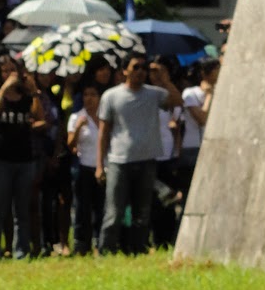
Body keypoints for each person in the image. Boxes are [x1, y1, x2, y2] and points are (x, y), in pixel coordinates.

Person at [95, 53, 182, 255]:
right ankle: (106, 250)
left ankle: (138, 250)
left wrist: (164, 78)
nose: (141, 72)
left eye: (144, 68)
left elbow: (177, 101)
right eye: (136, 67)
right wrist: (100, 165)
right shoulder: (111, 96)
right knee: (114, 212)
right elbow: (103, 133)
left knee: (142, 212)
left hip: (147, 161)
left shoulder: (154, 94)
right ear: (124, 71)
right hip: (119, 161)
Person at [0, 51, 44, 260]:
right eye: (5, 71)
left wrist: (34, 91)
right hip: (1, 159)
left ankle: (21, 252)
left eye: (12, 70)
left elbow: (40, 118)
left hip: (25, 159)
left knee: (22, 211)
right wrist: (4, 89)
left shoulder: (26, 97)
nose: (10, 74)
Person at [67, 80, 104, 254]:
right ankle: (81, 245)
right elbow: (70, 145)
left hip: (103, 168)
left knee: (101, 207)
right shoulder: (76, 117)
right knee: (82, 209)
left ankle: (100, 242)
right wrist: (77, 128)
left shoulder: (105, 117)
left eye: (93, 95)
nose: (89, 99)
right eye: (86, 95)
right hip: (84, 168)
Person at [179, 57, 219, 200]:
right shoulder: (190, 94)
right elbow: (202, 119)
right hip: (193, 148)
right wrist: (209, 95)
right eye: (216, 70)